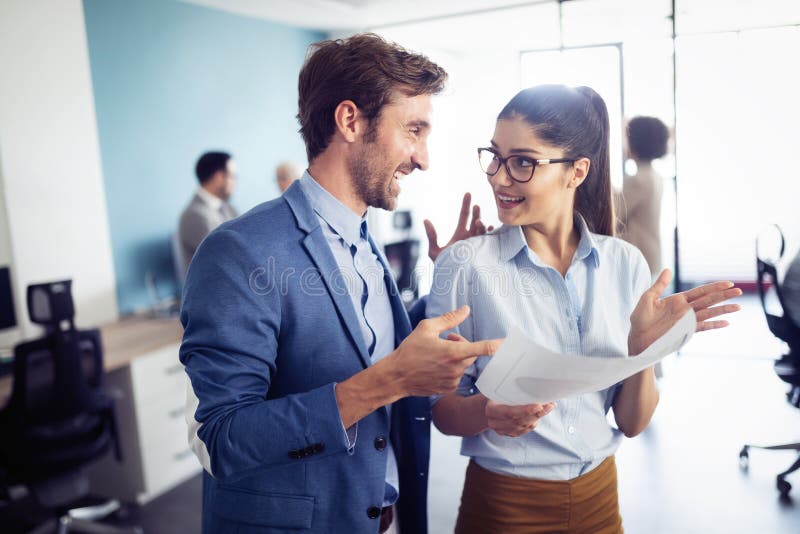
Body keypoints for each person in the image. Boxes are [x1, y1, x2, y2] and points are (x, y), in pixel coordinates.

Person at [180, 33, 496, 534]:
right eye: (413, 130)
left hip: (374, 515)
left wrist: (445, 272)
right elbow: (225, 438)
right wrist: (391, 381)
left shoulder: (362, 236)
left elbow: (361, 344)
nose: (423, 158)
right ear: (350, 120)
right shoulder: (237, 251)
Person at [428, 85, 741, 534]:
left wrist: (642, 352)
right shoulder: (464, 265)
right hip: (504, 505)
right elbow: (442, 412)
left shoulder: (625, 264)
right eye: (494, 157)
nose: (498, 178)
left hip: (600, 499)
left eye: (522, 162)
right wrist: (487, 412)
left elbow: (632, 423)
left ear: (576, 172)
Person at [616, 115, 670, 277]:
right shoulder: (654, 176)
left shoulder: (638, 180)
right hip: (651, 255)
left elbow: (615, 214)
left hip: (640, 257)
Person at [178, 151, 239, 272]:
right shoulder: (194, 216)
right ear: (218, 177)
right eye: (232, 176)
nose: (235, 183)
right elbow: (229, 257)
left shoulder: (228, 208)